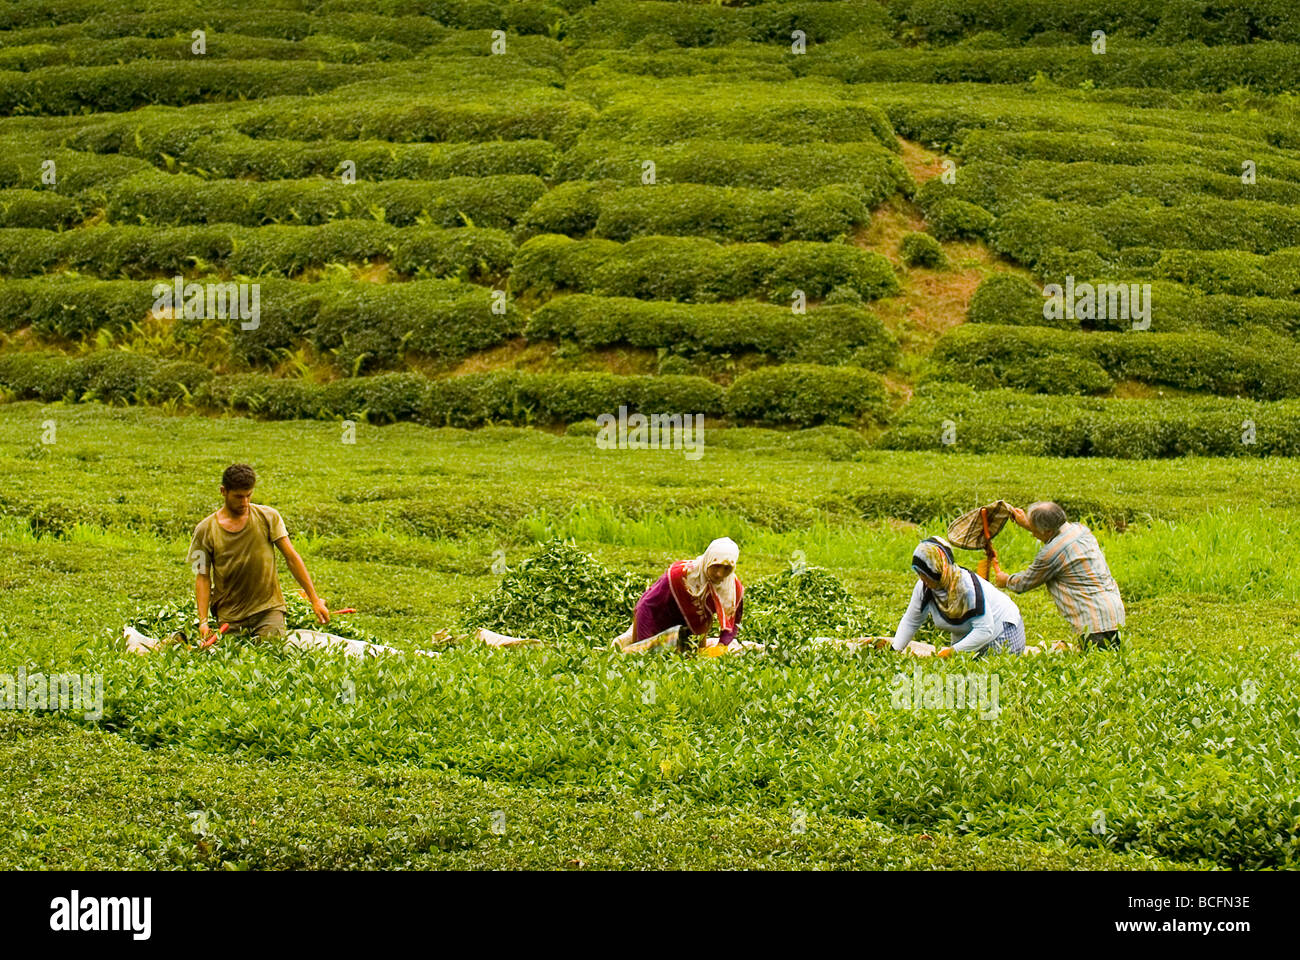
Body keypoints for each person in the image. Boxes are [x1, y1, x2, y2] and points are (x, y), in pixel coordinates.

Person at [187, 463, 329, 645]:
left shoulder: (268, 517)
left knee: (273, 656)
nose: (244, 502)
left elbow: (291, 558)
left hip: (268, 609)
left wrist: (314, 600)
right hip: (230, 616)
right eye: (238, 497)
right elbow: (203, 577)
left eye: (248, 495)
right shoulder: (204, 530)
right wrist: (203, 621)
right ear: (223, 491)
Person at [994, 502, 1125, 650]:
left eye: (1034, 529)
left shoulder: (1050, 554)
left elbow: (1023, 583)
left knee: (1093, 662)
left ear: (1047, 531)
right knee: (1108, 655)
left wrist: (1006, 580)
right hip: (1114, 614)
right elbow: (1055, 537)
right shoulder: (1081, 530)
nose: (1032, 533)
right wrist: (1027, 524)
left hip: (1095, 622)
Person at [891, 537, 1025, 658]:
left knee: (986, 678)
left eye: (925, 573)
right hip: (971, 634)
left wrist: (952, 651)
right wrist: (894, 650)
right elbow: (911, 621)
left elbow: (985, 630)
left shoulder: (966, 588)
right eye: (919, 573)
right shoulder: (924, 587)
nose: (922, 578)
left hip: (1003, 631)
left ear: (938, 570)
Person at [615, 537, 744, 653]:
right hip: (657, 624)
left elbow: (733, 623)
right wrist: (643, 643)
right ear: (708, 560)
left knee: (698, 656)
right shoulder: (681, 575)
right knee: (629, 651)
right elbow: (647, 607)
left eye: (727, 569)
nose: (719, 574)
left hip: (692, 633)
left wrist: (722, 645)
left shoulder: (733, 588)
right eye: (716, 566)